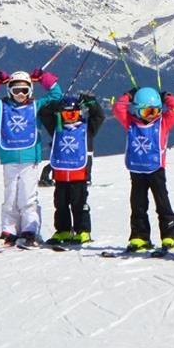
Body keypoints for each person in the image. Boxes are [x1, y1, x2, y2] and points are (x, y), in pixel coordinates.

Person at [0, 69, 62, 248]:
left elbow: (56, 96)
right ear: (9, 91)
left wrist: (44, 78)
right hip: (10, 158)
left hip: (30, 159)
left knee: (27, 196)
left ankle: (30, 230)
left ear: (30, 90)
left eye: (24, 90)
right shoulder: (1, 109)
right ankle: (9, 231)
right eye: (16, 90)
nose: (20, 94)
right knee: (10, 196)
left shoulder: (36, 107)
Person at [113, 84, 174, 252]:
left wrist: (167, 96)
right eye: (147, 112)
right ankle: (139, 236)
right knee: (138, 204)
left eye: (155, 111)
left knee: (162, 203)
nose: (152, 116)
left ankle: (169, 235)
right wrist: (129, 95)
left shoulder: (163, 122)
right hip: (137, 170)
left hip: (156, 170)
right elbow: (118, 108)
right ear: (137, 110)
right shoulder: (130, 123)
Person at [39, 92, 104, 246]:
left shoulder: (87, 129)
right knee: (60, 205)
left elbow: (98, 117)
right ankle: (63, 230)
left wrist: (92, 103)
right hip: (60, 175)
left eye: (74, 113)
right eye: (66, 113)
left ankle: (83, 231)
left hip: (79, 176)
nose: (70, 116)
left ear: (79, 113)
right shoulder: (56, 128)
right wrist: (55, 105)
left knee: (79, 204)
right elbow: (44, 114)